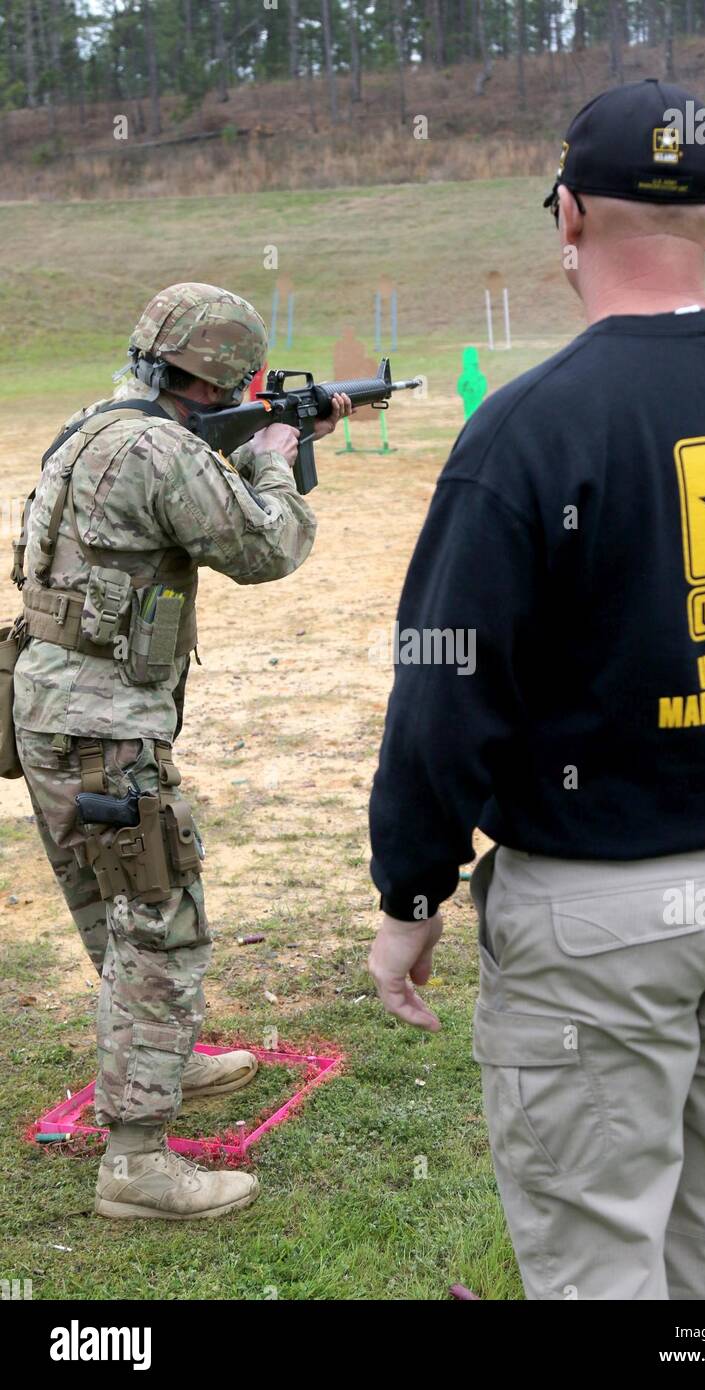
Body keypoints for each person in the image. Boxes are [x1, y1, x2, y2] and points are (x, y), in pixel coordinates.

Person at [367, 81, 705, 1299]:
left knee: (598, 1263)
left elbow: (444, 690)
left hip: (605, 912)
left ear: (567, 214)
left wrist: (412, 888)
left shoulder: (526, 430)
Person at [14, 282, 351, 1220]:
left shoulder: (94, 427)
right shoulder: (162, 450)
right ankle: (137, 1163)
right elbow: (267, 546)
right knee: (161, 922)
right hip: (108, 730)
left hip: (46, 714)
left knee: (115, 912)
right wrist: (279, 457)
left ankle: (165, 1062)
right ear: (222, 376)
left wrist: (263, 438)